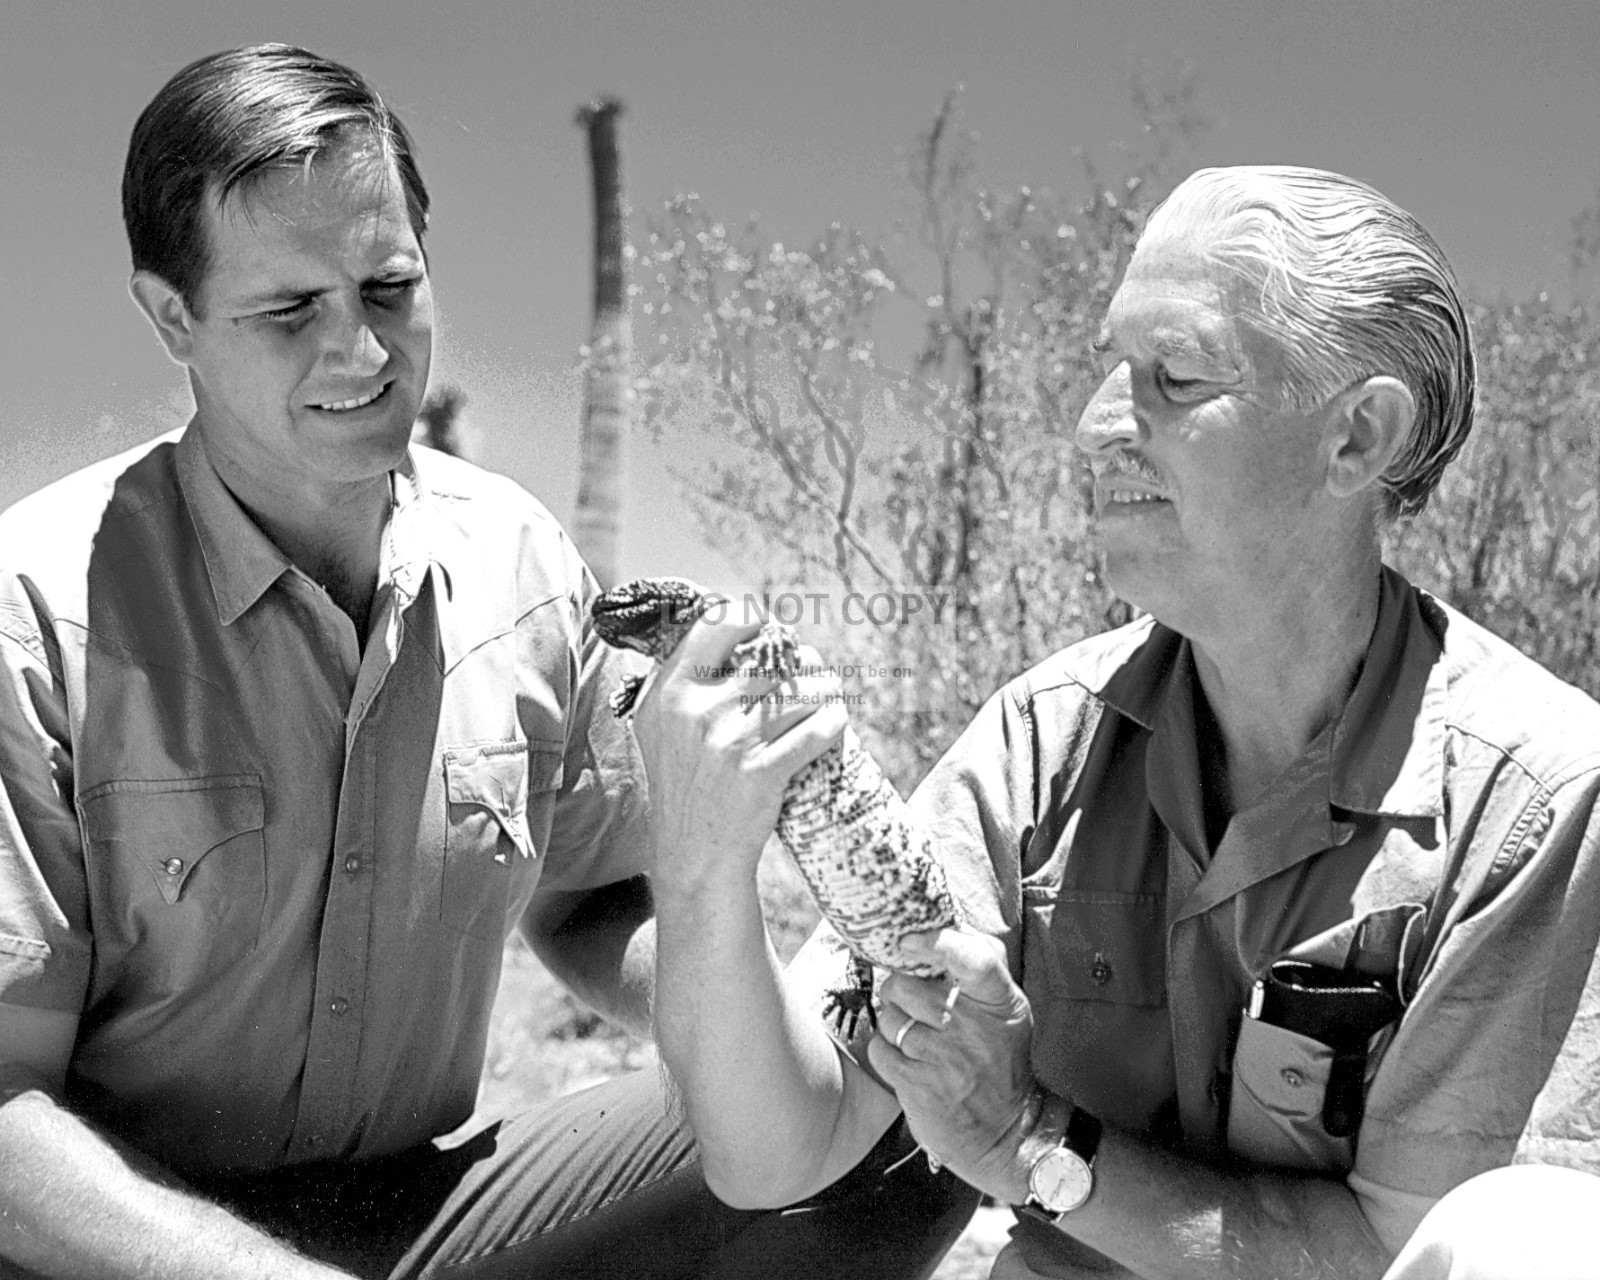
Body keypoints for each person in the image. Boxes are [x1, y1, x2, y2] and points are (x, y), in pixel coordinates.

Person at [0, 44, 974, 1280]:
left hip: (415, 1212)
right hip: (115, 1237)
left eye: (388, 286)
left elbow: (592, 895)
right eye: (290, 310)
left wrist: (768, 1007)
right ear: (171, 315)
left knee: (901, 1113)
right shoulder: (36, 612)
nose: (361, 352)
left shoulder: (522, 565)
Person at [635, 166, 1600, 1279]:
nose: (1096, 425)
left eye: (1173, 376)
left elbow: (1405, 1253)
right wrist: (702, 871)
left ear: (1356, 437)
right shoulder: (1042, 741)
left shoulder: (1541, 801)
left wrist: (1025, 1137)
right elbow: (782, 1151)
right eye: (1109, 365)